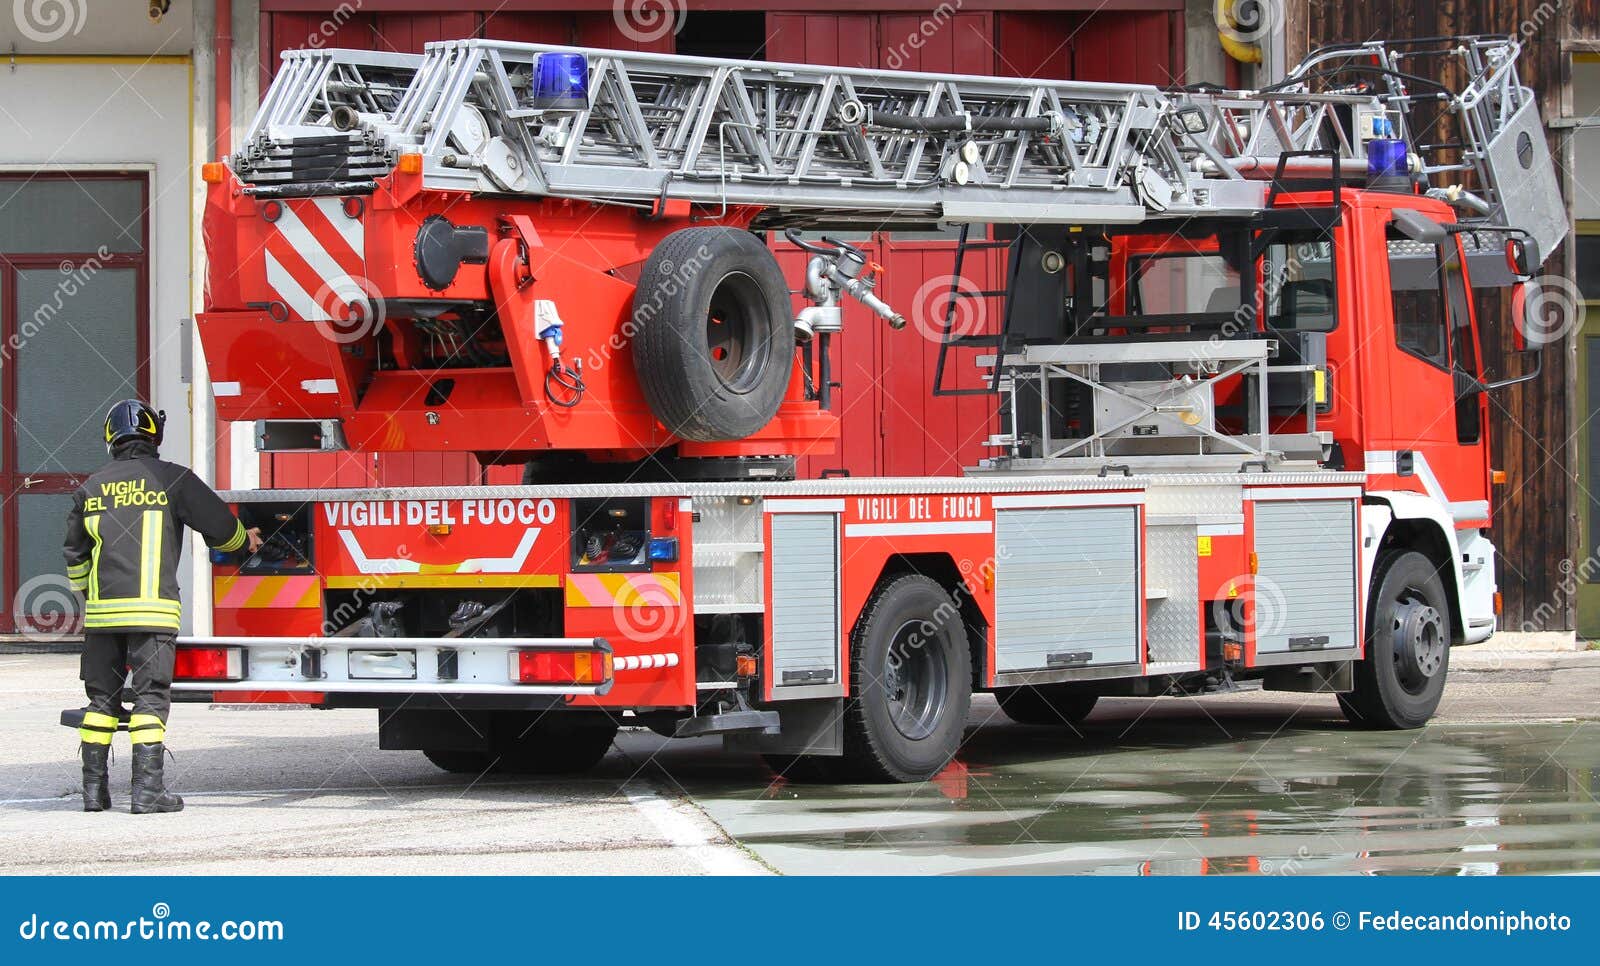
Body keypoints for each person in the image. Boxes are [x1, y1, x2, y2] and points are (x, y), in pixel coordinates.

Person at [63, 400, 262, 814]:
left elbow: (75, 558)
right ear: (154, 435)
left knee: (101, 701)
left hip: (101, 617)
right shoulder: (172, 480)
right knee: (150, 697)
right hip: (152, 615)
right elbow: (222, 530)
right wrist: (246, 541)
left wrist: (91, 600)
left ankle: (93, 794)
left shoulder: (90, 488)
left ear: (109, 439)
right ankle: (148, 793)